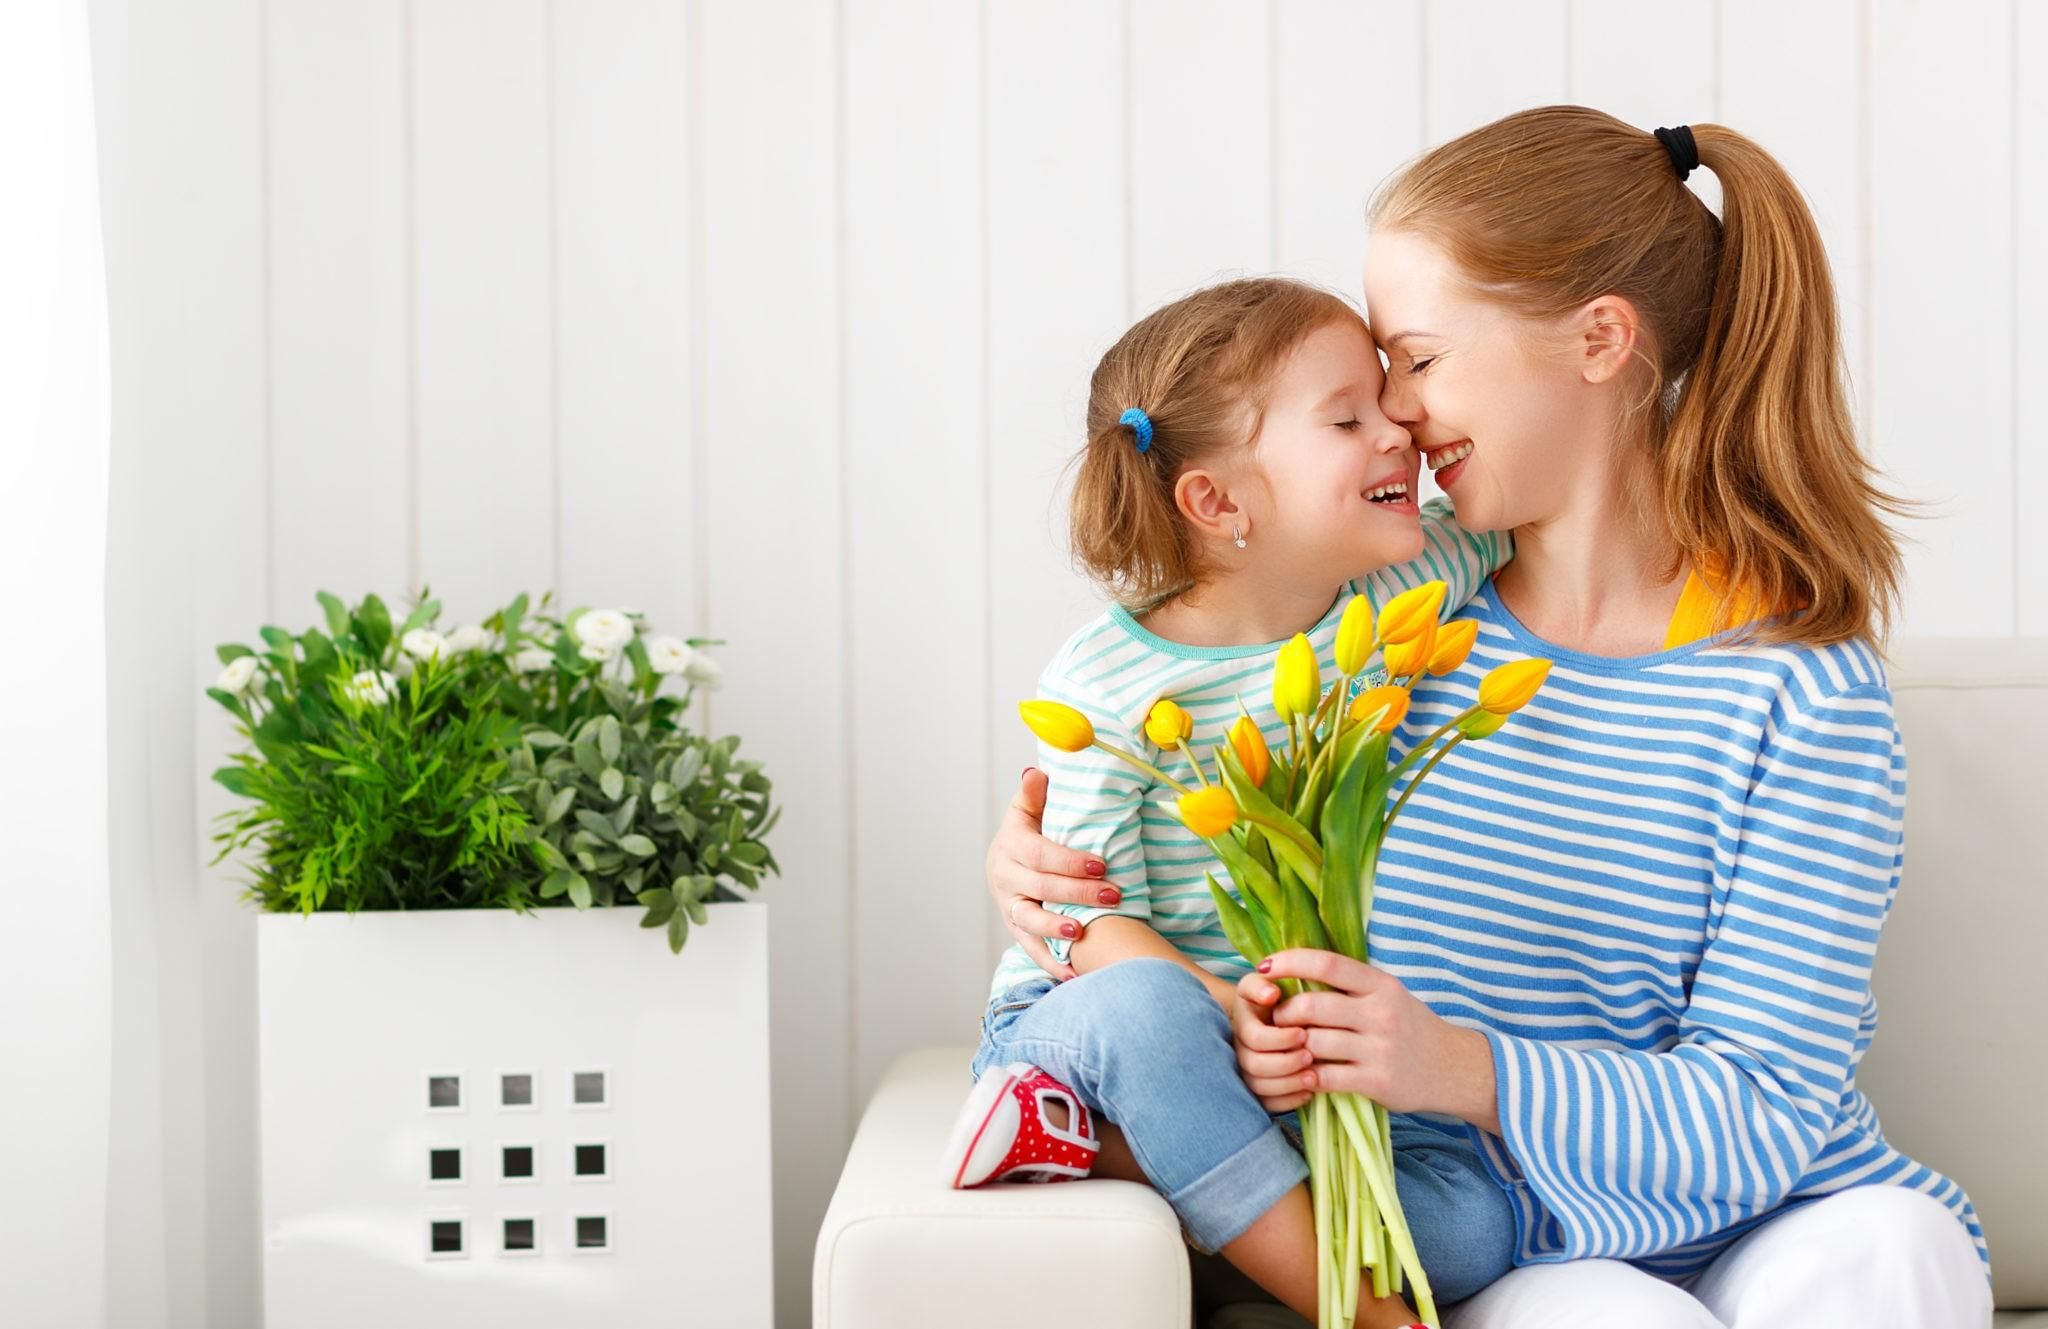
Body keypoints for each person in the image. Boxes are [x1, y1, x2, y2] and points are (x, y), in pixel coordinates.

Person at [984, 108, 1992, 1328]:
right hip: (1507, 1237)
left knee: (1892, 1248)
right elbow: (1177, 741)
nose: (1395, 414)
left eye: (1416, 358)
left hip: (1771, 1209)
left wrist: (1456, 1065)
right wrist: (1048, 885)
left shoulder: (1800, 687)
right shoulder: (1366, 644)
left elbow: (1769, 1106)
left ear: (1598, 341)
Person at [943, 275, 1515, 1327]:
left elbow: (1537, 501)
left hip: (1284, 1067)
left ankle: (1178, 1178)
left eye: (1385, 398)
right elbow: (1078, 919)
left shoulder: (1393, 595)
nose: (1397, 427)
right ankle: (1359, 1312)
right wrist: (1224, 1012)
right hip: (1111, 1032)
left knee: (1474, 1223)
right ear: (1215, 502)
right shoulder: (1106, 685)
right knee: (1146, 1012)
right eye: (1346, 417)